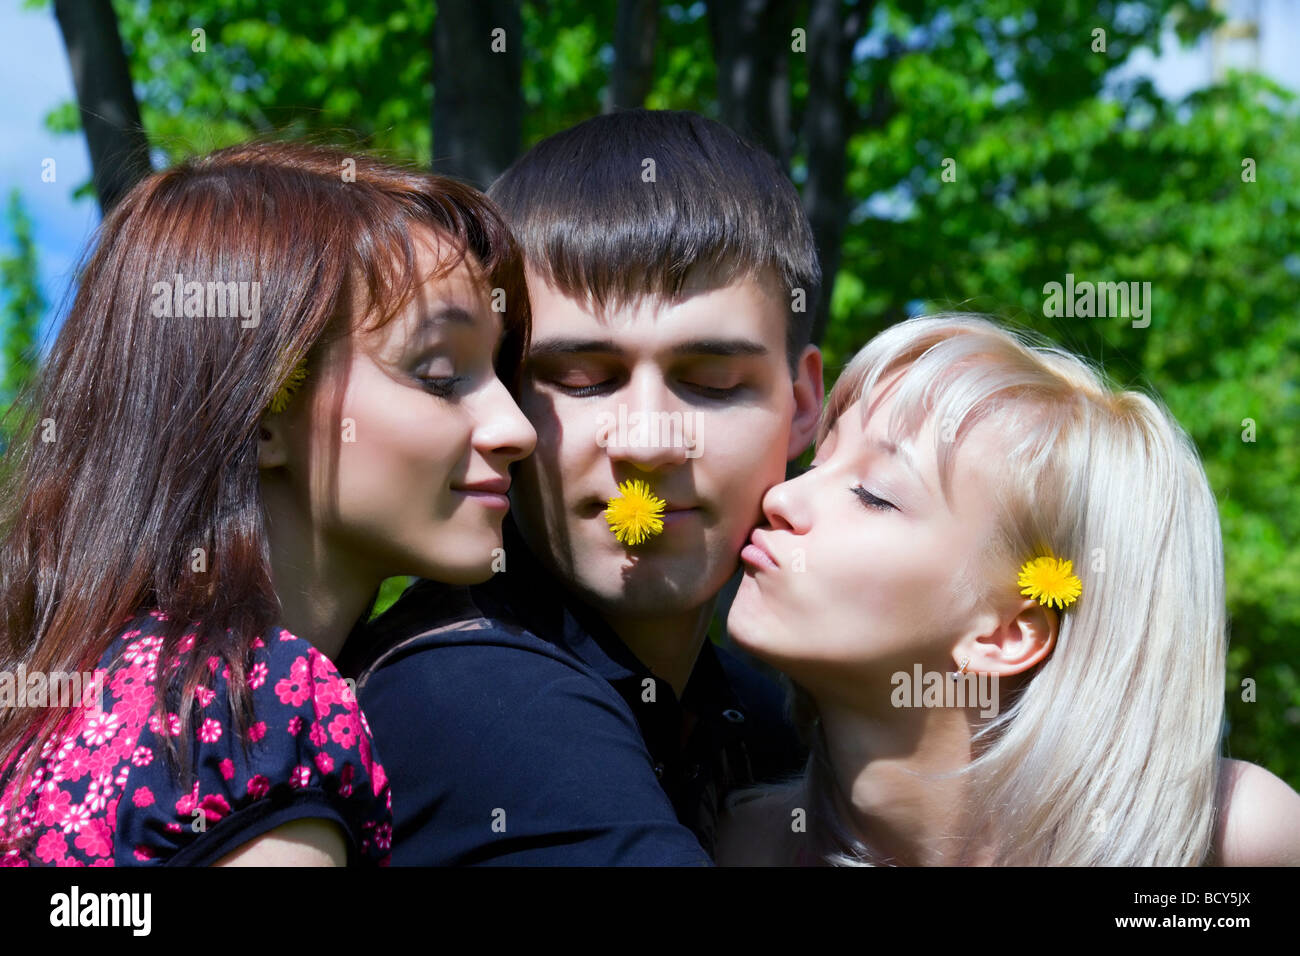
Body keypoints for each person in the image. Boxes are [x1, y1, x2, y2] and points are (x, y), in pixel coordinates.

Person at [0, 141, 536, 866]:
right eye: (439, 374)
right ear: (262, 416)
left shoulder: (65, 700)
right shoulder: (262, 710)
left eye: (499, 373)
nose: (517, 430)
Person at [336, 109, 824, 864]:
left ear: (801, 405)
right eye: (583, 380)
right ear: (505, 397)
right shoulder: (465, 694)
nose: (649, 441)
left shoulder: (759, 719)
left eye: (713, 382)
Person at [715, 313, 1300, 866]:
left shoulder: (1233, 836)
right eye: (819, 459)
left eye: (874, 494)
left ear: (1008, 633)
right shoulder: (742, 848)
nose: (782, 498)